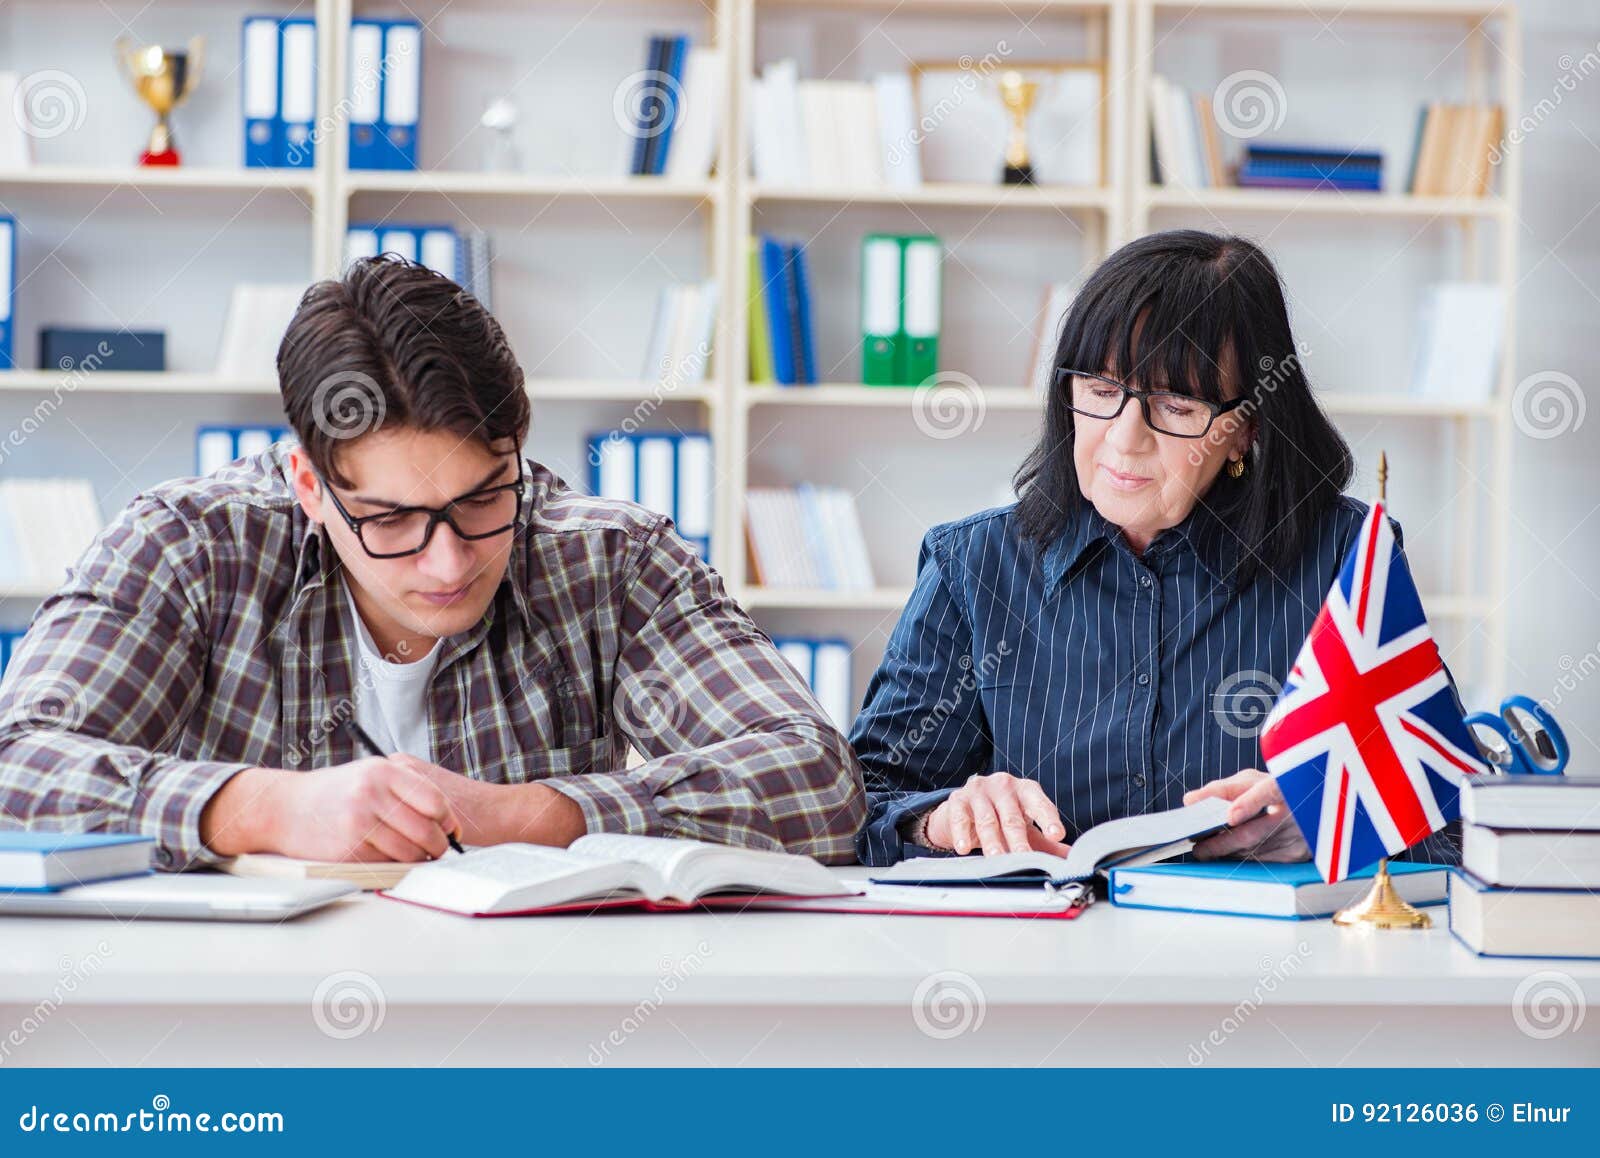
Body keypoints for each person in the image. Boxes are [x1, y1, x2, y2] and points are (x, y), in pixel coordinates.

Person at [0, 257, 863, 870]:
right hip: (242, 1016)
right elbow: (14, 767)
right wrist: (262, 807)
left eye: (485, 499)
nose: (448, 560)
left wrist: (535, 814)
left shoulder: (611, 558)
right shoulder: (188, 546)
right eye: (390, 518)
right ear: (309, 483)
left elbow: (818, 781)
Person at [854, 229, 1461, 866]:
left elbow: (1450, 819)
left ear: (1245, 426)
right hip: (1036, 957)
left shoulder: (1346, 559)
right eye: (1101, 390)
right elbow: (859, 806)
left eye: (1175, 404)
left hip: (1264, 956)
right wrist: (940, 819)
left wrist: (1323, 822)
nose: (1124, 438)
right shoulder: (972, 566)